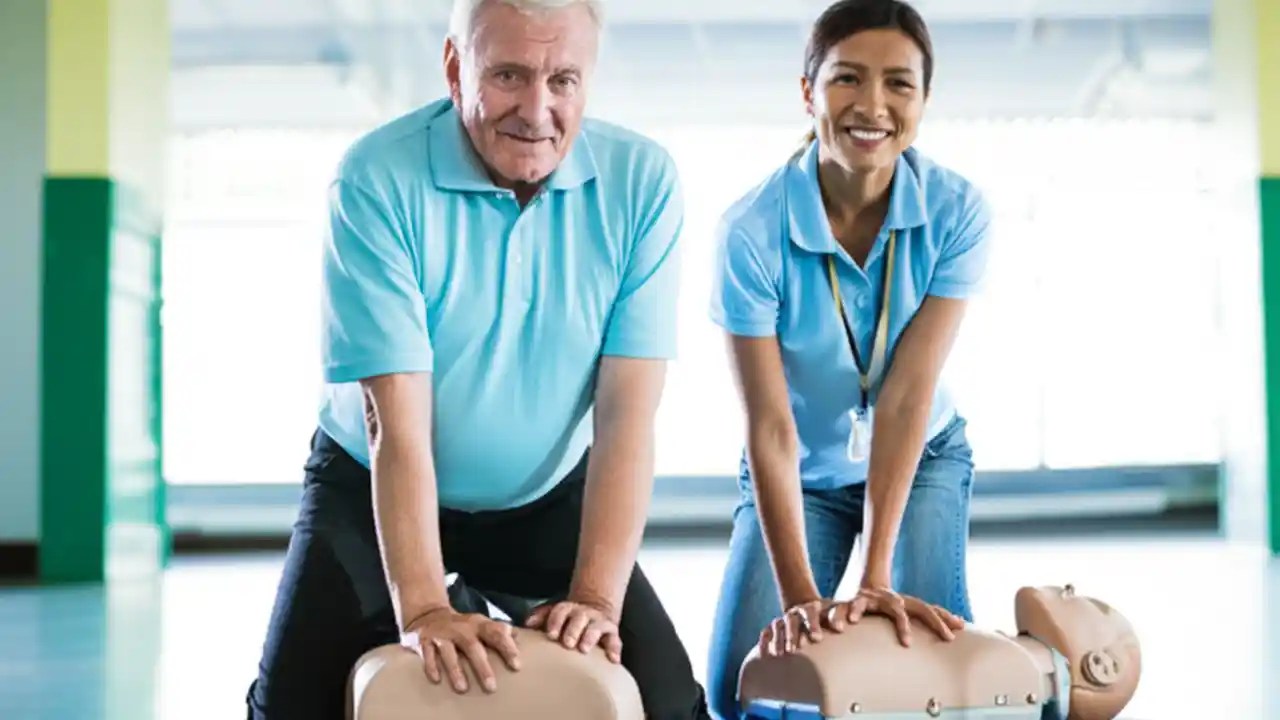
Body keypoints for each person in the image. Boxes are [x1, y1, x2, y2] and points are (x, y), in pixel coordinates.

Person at [245, 1, 711, 718]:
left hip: (544, 494)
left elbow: (626, 417)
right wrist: (426, 609)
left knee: (669, 701)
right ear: (456, 68)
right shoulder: (376, 178)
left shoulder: (642, 184)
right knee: (290, 708)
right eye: (509, 75)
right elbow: (393, 428)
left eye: (564, 79)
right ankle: (450, 592)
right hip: (374, 485)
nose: (537, 108)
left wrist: (594, 599)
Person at [704, 1, 993, 717]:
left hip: (921, 450)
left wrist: (875, 572)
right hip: (798, 466)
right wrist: (803, 600)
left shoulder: (958, 212)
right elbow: (769, 425)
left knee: (924, 663)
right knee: (738, 687)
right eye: (847, 80)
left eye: (900, 84)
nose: (873, 105)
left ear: (923, 102)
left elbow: (906, 393)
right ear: (809, 91)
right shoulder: (751, 231)